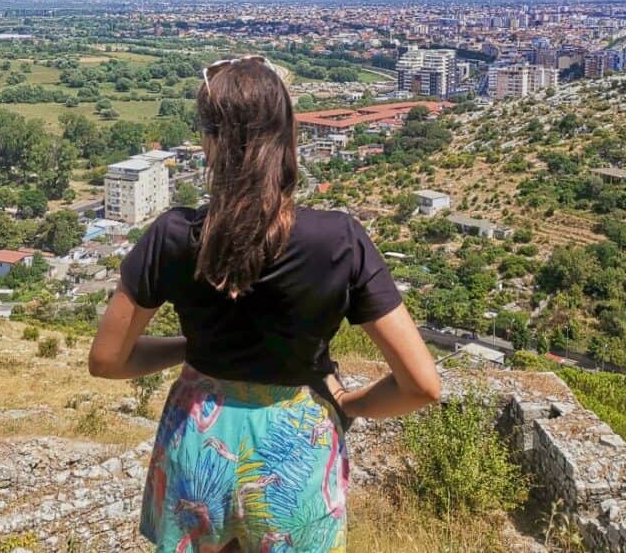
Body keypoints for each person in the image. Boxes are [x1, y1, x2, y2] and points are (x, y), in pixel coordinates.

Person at [89, 55, 441, 553]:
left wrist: (189, 348)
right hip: (293, 448)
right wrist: (349, 404)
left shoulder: (172, 236)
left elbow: (107, 360)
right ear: (287, 135)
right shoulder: (339, 241)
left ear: (210, 142)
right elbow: (422, 385)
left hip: (196, 440)